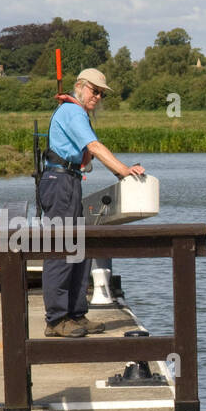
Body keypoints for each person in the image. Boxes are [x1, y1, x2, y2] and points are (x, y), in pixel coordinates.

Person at [41, 68, 146, 337]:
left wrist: (118, 171)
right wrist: (124, 171)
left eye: (100, 93)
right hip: (60, 181)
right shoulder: (73, 112)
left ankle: (76, 314)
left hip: (70, 180)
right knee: (61, 250)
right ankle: (56, 320)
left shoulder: (77, 112)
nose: (97, 96)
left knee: (79, 249)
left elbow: (90, 151)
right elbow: (95, 147)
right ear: (79, 86)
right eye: (93, 90)